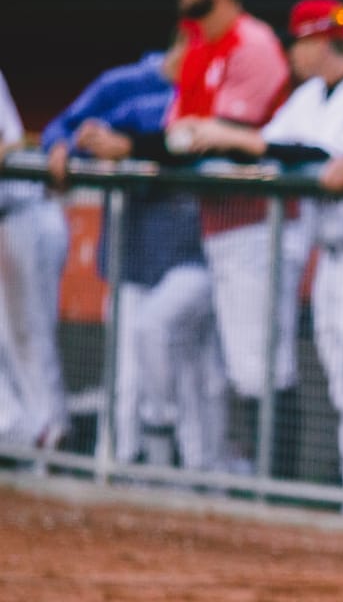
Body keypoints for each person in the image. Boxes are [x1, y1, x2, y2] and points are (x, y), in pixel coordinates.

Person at [176, 0, 343, 521]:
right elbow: (272, 143)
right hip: (336, 257)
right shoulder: (311, 96)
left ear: (319, 42)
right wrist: (227, 135)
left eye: (300, 41)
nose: (294, 52)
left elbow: (316, 157)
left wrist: (228, 133)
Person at [108, 0, 302, 478]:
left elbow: (216, 139)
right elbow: (179, 132)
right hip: (217, 225)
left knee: (260, 367)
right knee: (220, 366)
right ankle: (217, 470)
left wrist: (141, 145)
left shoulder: (253, 44)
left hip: (259, 224)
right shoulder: (198, 46)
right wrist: (152, 140)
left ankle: (277, 491)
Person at [43, 51, 225, 472]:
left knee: (201, 376)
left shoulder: (216, 94)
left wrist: (129, 146)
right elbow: (68, 128)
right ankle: (121, 468)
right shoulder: (127, 87)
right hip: (132, 255)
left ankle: (199, 473)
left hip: (195, 256)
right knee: (125, 377)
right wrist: (68, 146)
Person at [0, 69, 68, 454]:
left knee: (28, 333)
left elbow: (7, 147)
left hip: (26, 214)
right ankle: (27, 434)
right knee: (11, 336)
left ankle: (50, 436)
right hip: (9, 221)